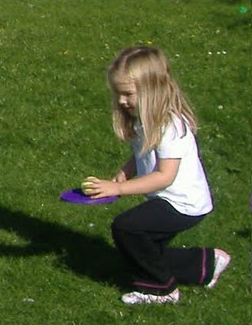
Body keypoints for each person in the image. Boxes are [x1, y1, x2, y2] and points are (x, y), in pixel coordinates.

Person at [80, 45, 228, 305]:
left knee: (126, 228)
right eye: (118, 94)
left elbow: (164, 176)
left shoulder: (170, 125)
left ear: (152, 90)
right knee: (142, 250)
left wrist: (118, 190)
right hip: (169, 200)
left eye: (128, 94)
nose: (122, 101)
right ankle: (207, 263)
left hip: (183, 204)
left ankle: (161, 289)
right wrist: (125, 173)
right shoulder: (144, 117)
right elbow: (142, 153)